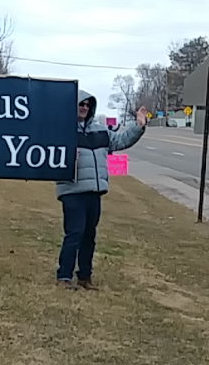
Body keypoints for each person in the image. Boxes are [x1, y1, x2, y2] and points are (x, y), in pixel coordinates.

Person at [55, 90, 147, 290]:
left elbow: (121, 140)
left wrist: (139, 126)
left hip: (94, 192)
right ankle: (64, 276)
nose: (84, 107)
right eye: (81, 104)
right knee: (74, 234)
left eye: (88, 104)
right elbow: (51, 155)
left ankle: (85, 277)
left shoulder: (101, 130)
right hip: (72, 191)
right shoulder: (63, 130)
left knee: (89, 236)